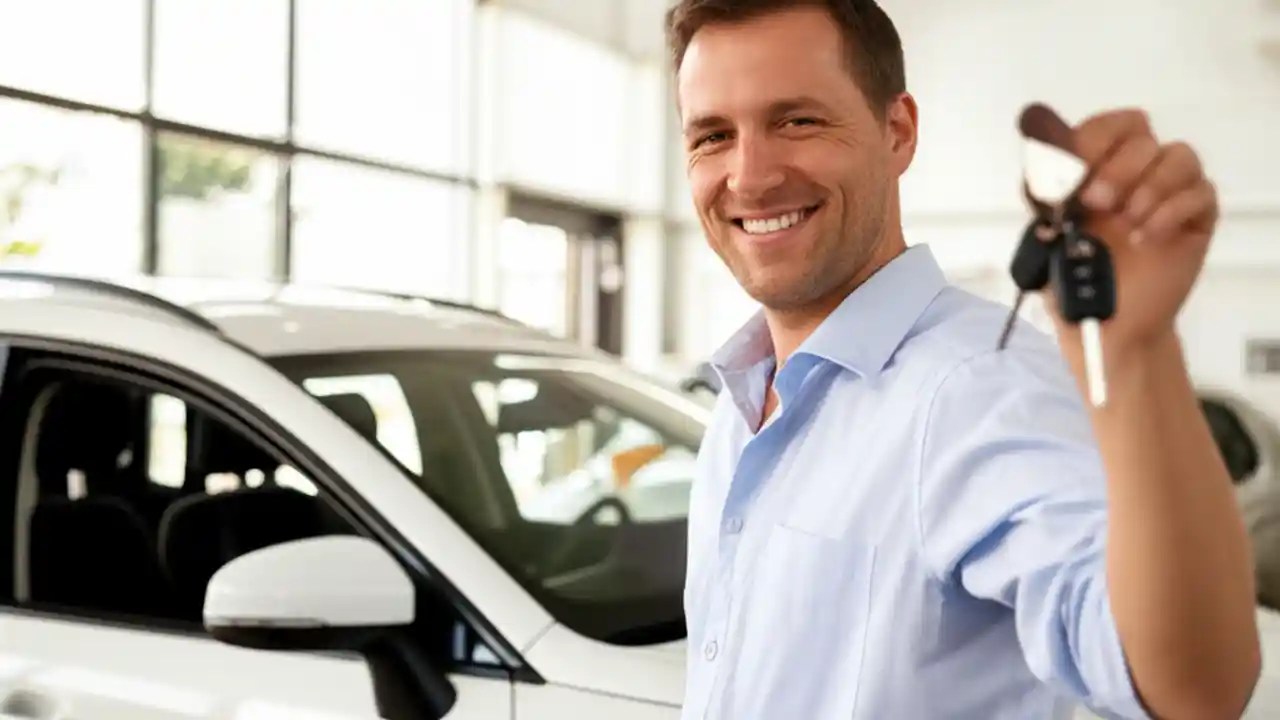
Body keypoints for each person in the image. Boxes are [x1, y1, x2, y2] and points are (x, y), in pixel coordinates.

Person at [665, 1, 1262, 718]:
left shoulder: (982, 388)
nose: (750, 176)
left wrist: (1138, 353)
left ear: (897, 131)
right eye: (713, 136)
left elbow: (1191, 688)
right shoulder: (739, 406)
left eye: (797, 121)